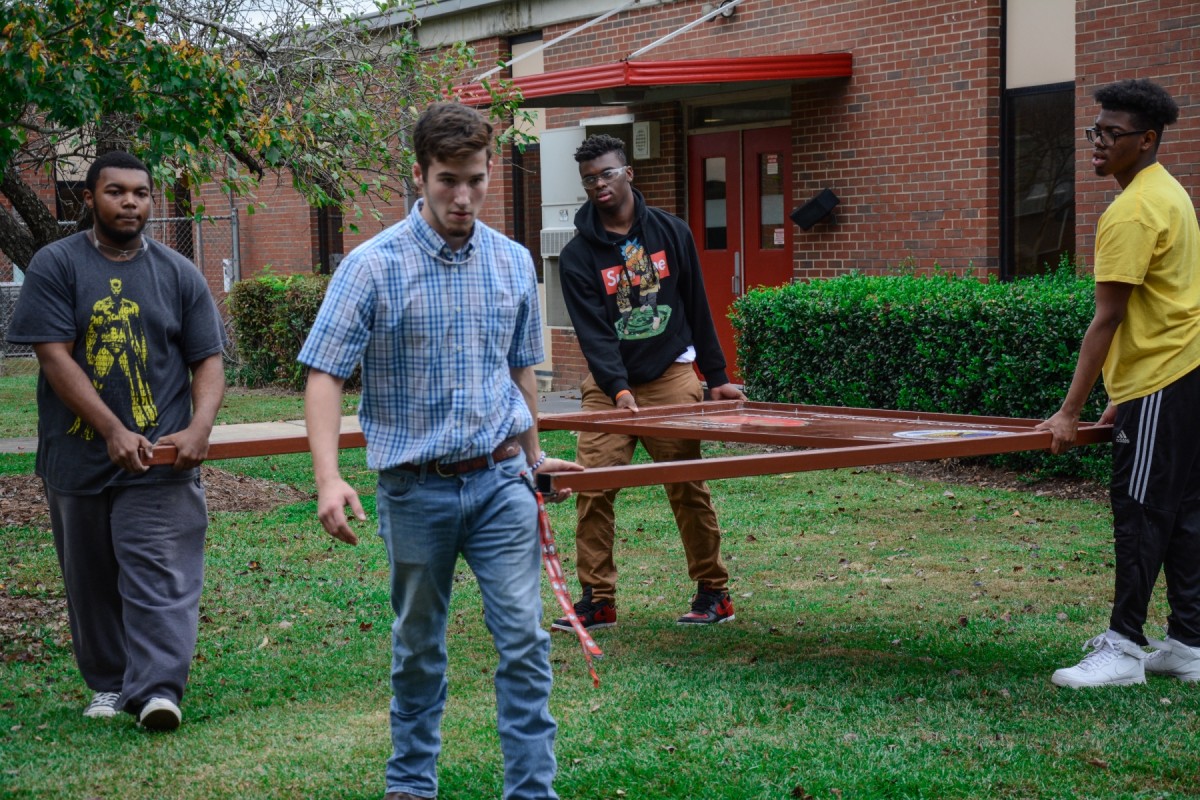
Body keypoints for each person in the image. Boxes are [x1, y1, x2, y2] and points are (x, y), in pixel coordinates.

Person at [298, 102, 581, 800]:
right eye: (448, 180)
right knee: (419, 645)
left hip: (499, 481)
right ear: (419, 175)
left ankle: (532, 791)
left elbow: (521, 373)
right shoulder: (371, 267)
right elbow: (325, 374)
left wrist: (536, 459)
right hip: (414, 488)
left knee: (523, 640)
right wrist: (328, 478)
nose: (464, 197)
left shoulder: (514, 263)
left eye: (477, 180)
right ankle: (410, 786)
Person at [6, 151, 226, 729]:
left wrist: (200, 426)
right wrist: (110, 429)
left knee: (161, 572)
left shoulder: (178, 273)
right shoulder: (56, 265)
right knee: (91, 578)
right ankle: (108, 684)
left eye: (141, 192)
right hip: (76, 455)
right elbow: (54, 355)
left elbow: (208, 359)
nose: (131, 202)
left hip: (160, 457)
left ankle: (157, 690)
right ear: (89, 199)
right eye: (116, 192)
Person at [1037, 79, 1200, 688]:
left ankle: (1125, 646)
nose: (1098, 144)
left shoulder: (1132, 210)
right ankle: (1188, 643)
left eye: (1112, 134)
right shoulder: (1169, 192)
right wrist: (1122, 396)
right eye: (1094, 132)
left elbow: (1108, 318)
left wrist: (1069, 411)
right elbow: (1162, 302)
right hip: (1184, 373)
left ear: (1147, 139)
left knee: (1140, 512)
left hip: (1164, 375)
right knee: (1183, 512)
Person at [553, 133, 746, 632]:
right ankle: (598, 600)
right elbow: (594, 333)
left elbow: (697, 304)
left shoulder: (671, 232)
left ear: (628, 173)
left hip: (670, 374)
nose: (599, 184)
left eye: (607, 174)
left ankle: (713, 593)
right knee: (593, 487)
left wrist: (717, 376)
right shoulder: (578, 256)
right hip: (608, 387)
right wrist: (617, 390)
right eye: (590, 179)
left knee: (686, 486)